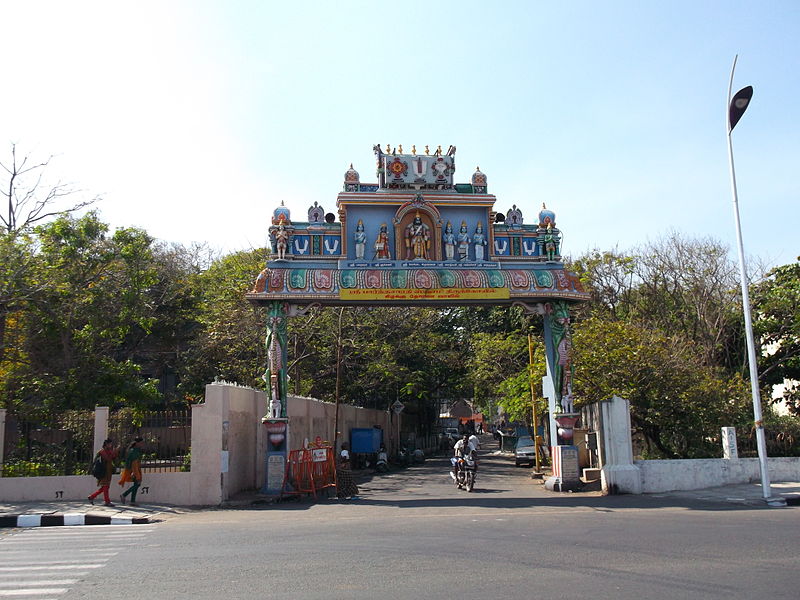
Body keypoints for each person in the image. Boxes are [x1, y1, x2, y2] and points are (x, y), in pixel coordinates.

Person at [88, 439, 118, 506]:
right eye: (109, 444)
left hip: (108, 471)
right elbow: (108, 458)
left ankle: (92, 496)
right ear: (106, 444)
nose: (110, 445)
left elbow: (113, 457)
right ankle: (107, 501)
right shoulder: (102, 451)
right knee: (105, 486)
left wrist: (115, 452)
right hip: (103, 471)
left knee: (105, 487)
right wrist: (113, 452)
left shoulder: (109, 451)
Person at [119, 437, 144, 506]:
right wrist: (137, 475)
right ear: (137, 443)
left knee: (136, 484)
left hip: (133, 470)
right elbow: (134, 465)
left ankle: (132, 501)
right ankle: (124, 495)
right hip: (133, 470)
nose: (142, 444)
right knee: (137, 484)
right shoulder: (134, 451)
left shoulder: (134, 450)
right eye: (141, 443)